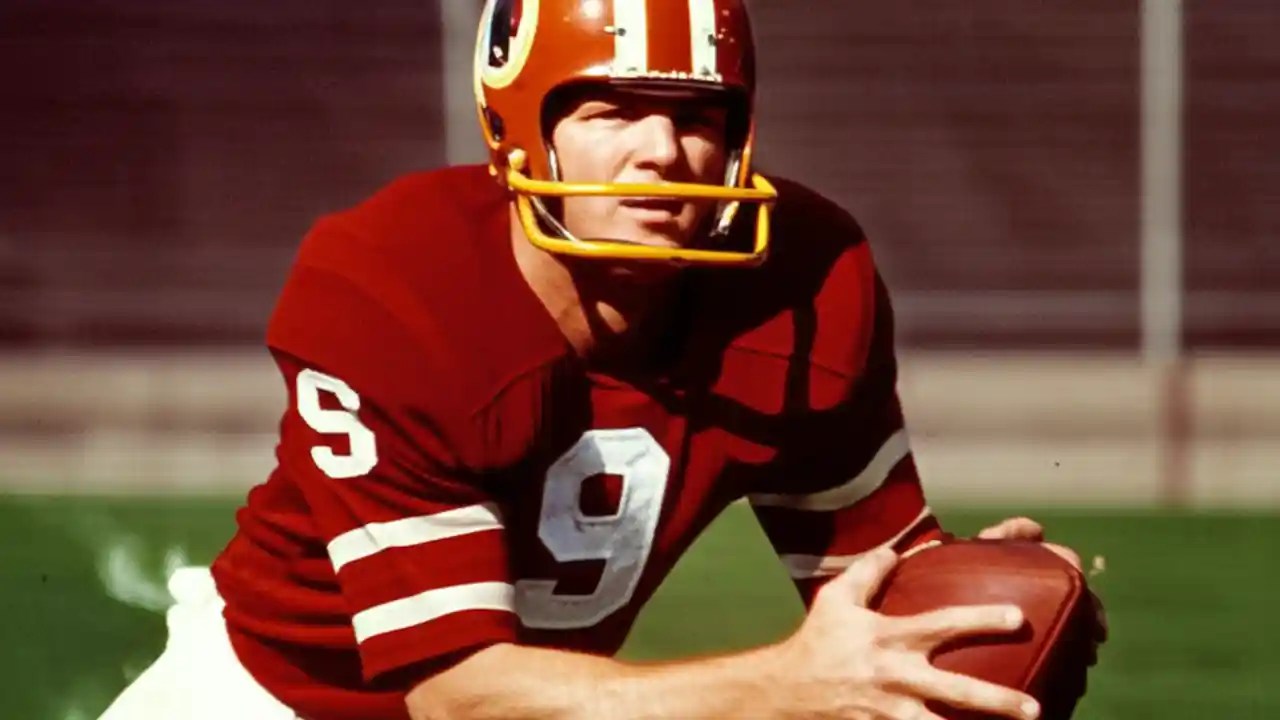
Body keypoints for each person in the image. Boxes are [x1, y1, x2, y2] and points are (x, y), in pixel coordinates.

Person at [99, 1, 1103, 719]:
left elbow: (871, 583)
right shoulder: (396, 286)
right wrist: (784, 688)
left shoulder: (803, 283)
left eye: (698, 115)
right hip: (276, 702)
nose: (661, 150)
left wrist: (981, 602)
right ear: (516, 128)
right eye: (610, 111)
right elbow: (460, 695)